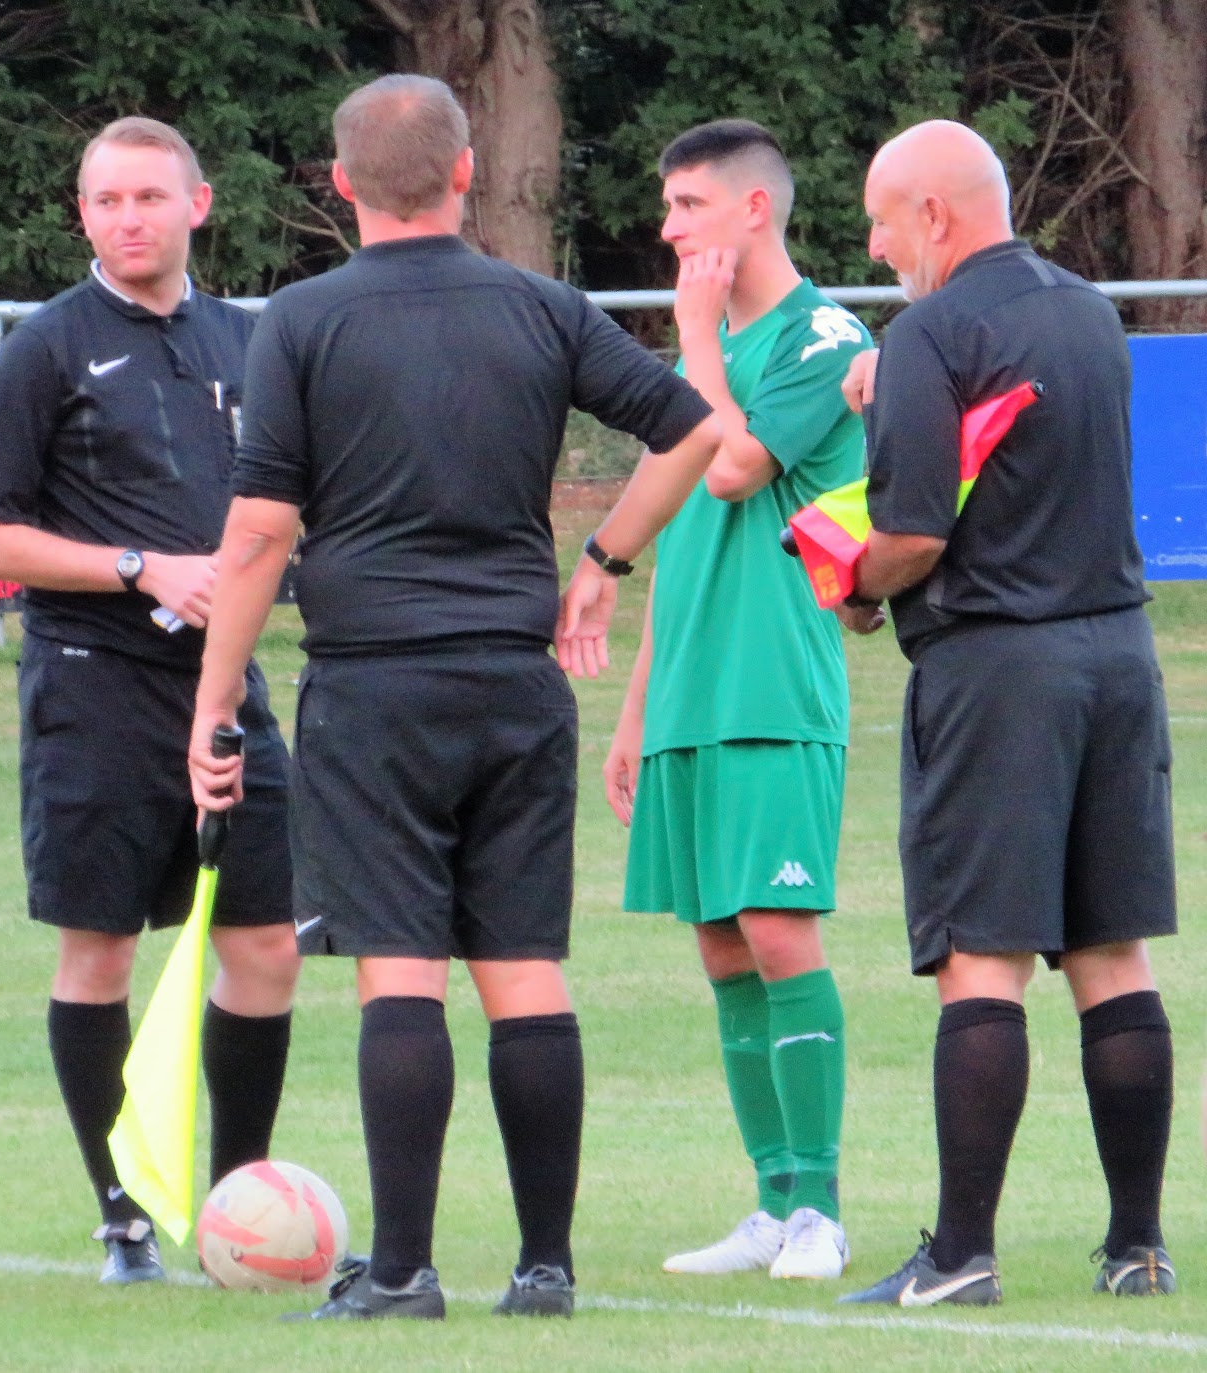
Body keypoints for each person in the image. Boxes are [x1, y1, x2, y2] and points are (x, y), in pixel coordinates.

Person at [188, 73, 720, 1322]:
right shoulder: (540, 305)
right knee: (525, 970)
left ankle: (404, 1268)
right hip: (515, 687)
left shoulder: (302, 321)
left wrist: (214, 700)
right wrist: (601, 566)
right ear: (467, 172)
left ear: (339, 185)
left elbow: (262, 530)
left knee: (402, 975)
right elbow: (692, 429)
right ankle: (545, 1267)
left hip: (373, 691)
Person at [834, 120, 1177, 1306]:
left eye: (882, 221)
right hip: (1119, 656)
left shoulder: (930, 327)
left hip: (998, 670)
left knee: (982, 960)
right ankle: (1135, 1243)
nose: (877, 248)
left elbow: (913, 534)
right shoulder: (1088, 310)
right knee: (1109, 951)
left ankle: (959, 1253)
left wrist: (849, 579)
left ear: (933, 214)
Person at [0, 117, 301, 1285]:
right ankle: (120, 1216)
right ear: (83, 214)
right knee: (99, 948)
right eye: (105, 201)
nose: (126, 218)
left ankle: (236, 1205)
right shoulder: (45, 348)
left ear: (197, 203)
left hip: (227, 689)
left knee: (263, 944)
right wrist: (137, 567)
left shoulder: (250, 340)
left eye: (148, 197)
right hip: (92, 690)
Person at [601, 120, 869, 1284]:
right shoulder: (708, 349)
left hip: (773, 683)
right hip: (689, 691)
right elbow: (680, 526)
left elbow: (729, 463)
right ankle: (767, 1199)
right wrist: (632, 711)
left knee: (775, 929)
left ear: (753, 210)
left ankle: (819, 1205)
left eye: (687, 206)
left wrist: (697, 338)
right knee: (718, 946)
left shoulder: (824, 333)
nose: (668, 230)